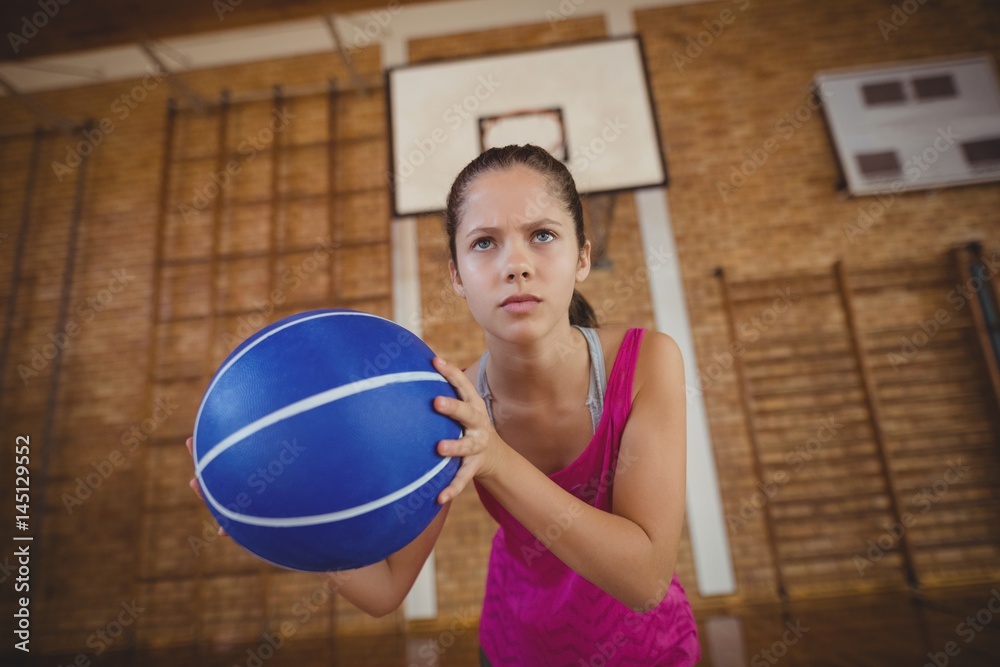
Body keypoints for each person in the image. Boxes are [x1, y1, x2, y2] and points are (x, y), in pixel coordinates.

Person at [188, 144, 700, 665]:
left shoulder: (647, 362)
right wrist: (278, 516)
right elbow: (385, 591)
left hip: (647, 652)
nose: (516, 265)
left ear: (583, 256)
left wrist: (496, 458)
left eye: (542, 235)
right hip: (510, 647)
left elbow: (645, 580)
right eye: (484, 243)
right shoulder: (444, 400)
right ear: (456, 275)